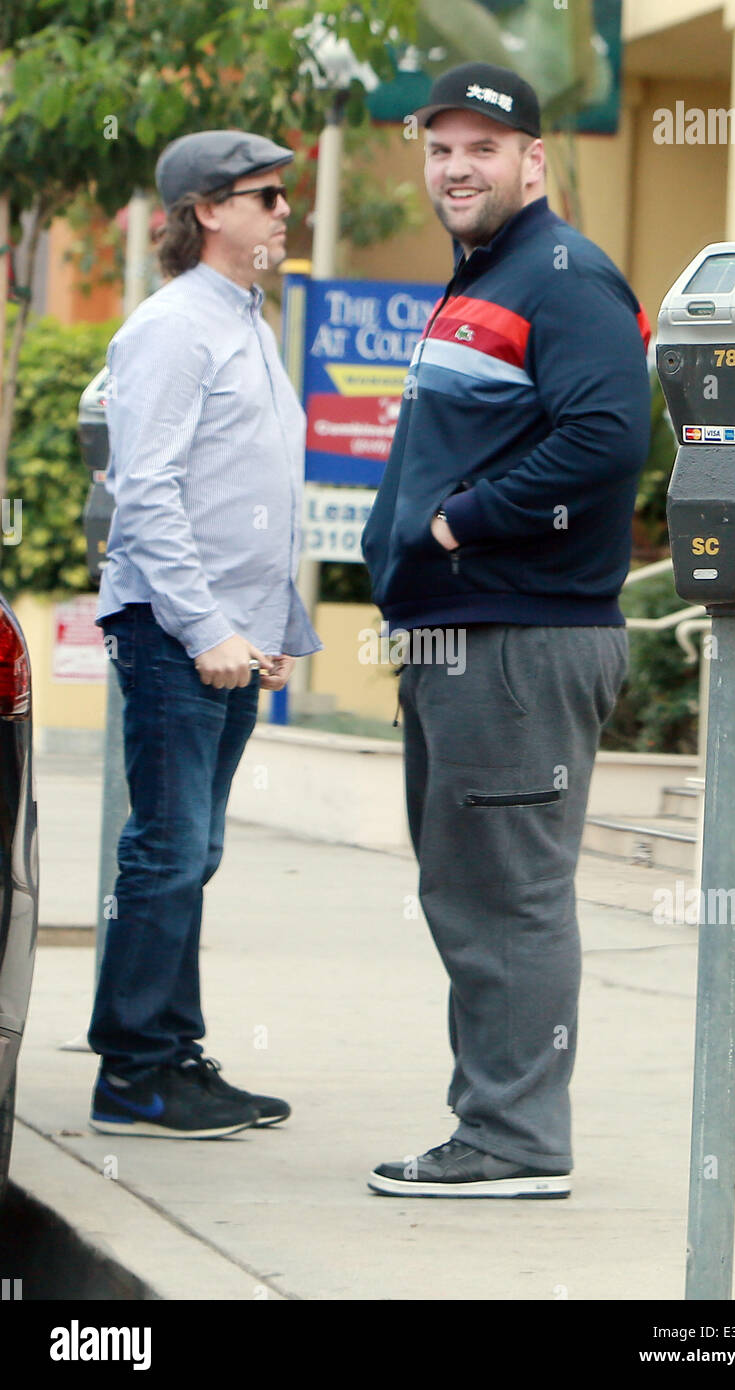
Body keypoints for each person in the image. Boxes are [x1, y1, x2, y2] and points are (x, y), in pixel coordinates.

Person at [361, 64, 651, 1197]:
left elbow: (604, 442)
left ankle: (514, 1142)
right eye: (440, 147)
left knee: (507, 901)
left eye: (483, 146)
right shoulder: (488, 274)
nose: (456, 167)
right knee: (468, 894)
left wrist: (452, 522)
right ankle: (496, 1125)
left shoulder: (564, 276)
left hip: (518, 639)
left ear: (535, 158)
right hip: (464, 637)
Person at [88, 130, 320, 1139]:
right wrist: (206, 626)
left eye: (282, 196)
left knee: (195, 847)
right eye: (264, 196)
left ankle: (170, 1055)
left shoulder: (247, 325)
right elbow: (145, 494)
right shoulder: (172, 327)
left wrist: (273, 627)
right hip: (177, 632)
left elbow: (250, 495)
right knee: (168, 849)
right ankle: (135, 1072)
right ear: (206, 212)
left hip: (231, 637)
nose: (283, 211)